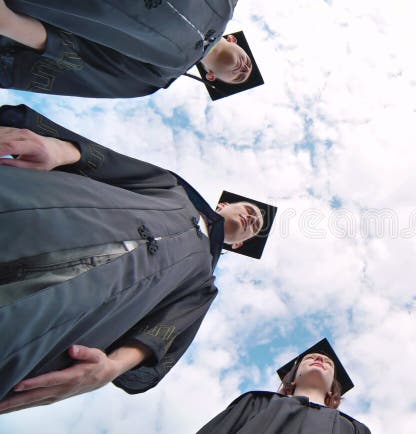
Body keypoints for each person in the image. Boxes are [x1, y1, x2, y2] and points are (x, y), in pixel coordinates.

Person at [0, 103, 275, 413]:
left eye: (256, 227)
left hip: (50, 318)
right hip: (29, 214)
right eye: (249, 210)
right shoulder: (172, 187)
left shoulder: (201, 286)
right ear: (224, 204)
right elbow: (109, 164)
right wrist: (58, 148)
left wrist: (111, 369)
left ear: (238, 246)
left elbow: (159, 335)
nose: (252, 218)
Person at [0, 0, 254, 98]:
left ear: (210, 76)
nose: (243, 70)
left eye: (237, 78)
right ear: (234, 39)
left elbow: (79, 57)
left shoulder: (156, 76)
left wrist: (9, 23)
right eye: (249, 66)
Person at [197, 338, 371, 434]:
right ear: (292, 379)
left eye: (328, 363)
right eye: (310, 358)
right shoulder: (254, 403)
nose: (319, 359)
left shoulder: (354, 429)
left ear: (332, 390)